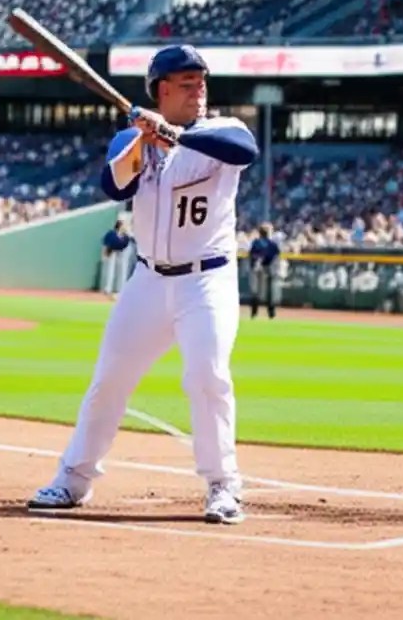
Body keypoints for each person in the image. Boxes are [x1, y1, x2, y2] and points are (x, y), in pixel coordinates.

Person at [27, 44, 259, 525]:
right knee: (109, 380)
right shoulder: (133, 139)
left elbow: (244, 151)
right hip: (148, 281)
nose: (199, 90)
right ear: (162, 89)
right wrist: (141, 139)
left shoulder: (222, 131)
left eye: (202, 82)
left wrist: (172, 133)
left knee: (207, 376)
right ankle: (73, 479)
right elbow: (114, 186)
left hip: (207, 280)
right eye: (187, 83)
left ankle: (223, 486)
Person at [248, 222, 280, 319]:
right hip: (267, 268)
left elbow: (251, 254)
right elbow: (276, 256)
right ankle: (271, 314)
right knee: (269, 292)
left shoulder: (257, 242)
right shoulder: (271, 244)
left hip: (258, 268)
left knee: (256, 292)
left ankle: (254, 313)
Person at [99, 219, 133, 298]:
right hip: (112, 252)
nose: (124, 227)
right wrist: (105, 252)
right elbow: (106, 243)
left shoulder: (126, 235)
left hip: (122, 252)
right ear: (119, 226)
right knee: (110, 270)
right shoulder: (111, 233)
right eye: (123, 225)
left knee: (122, 270)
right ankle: (108, 288)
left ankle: (121, 289)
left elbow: (126, 245)